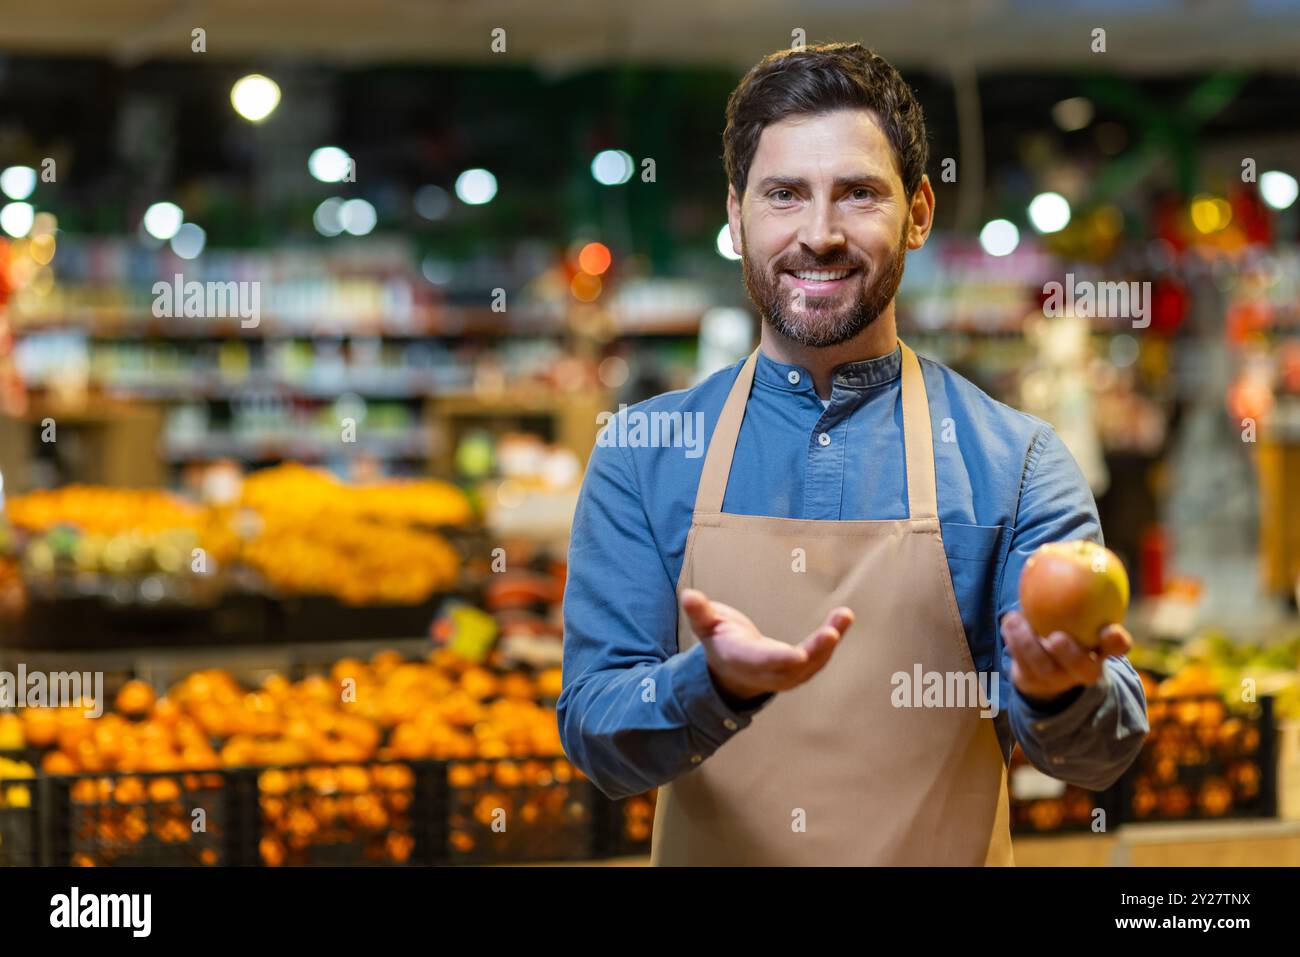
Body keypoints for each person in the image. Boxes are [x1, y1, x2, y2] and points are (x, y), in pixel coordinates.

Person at [558, 42, 1149, 865]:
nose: (820, 234)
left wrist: (1062, 692)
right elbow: (596, 734)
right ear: (737, 216)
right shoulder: (642, 456)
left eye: (859, 193)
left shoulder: (1015, 461)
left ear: (918, 213)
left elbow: (1103, 751)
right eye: (785, 195)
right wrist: (712, 685)